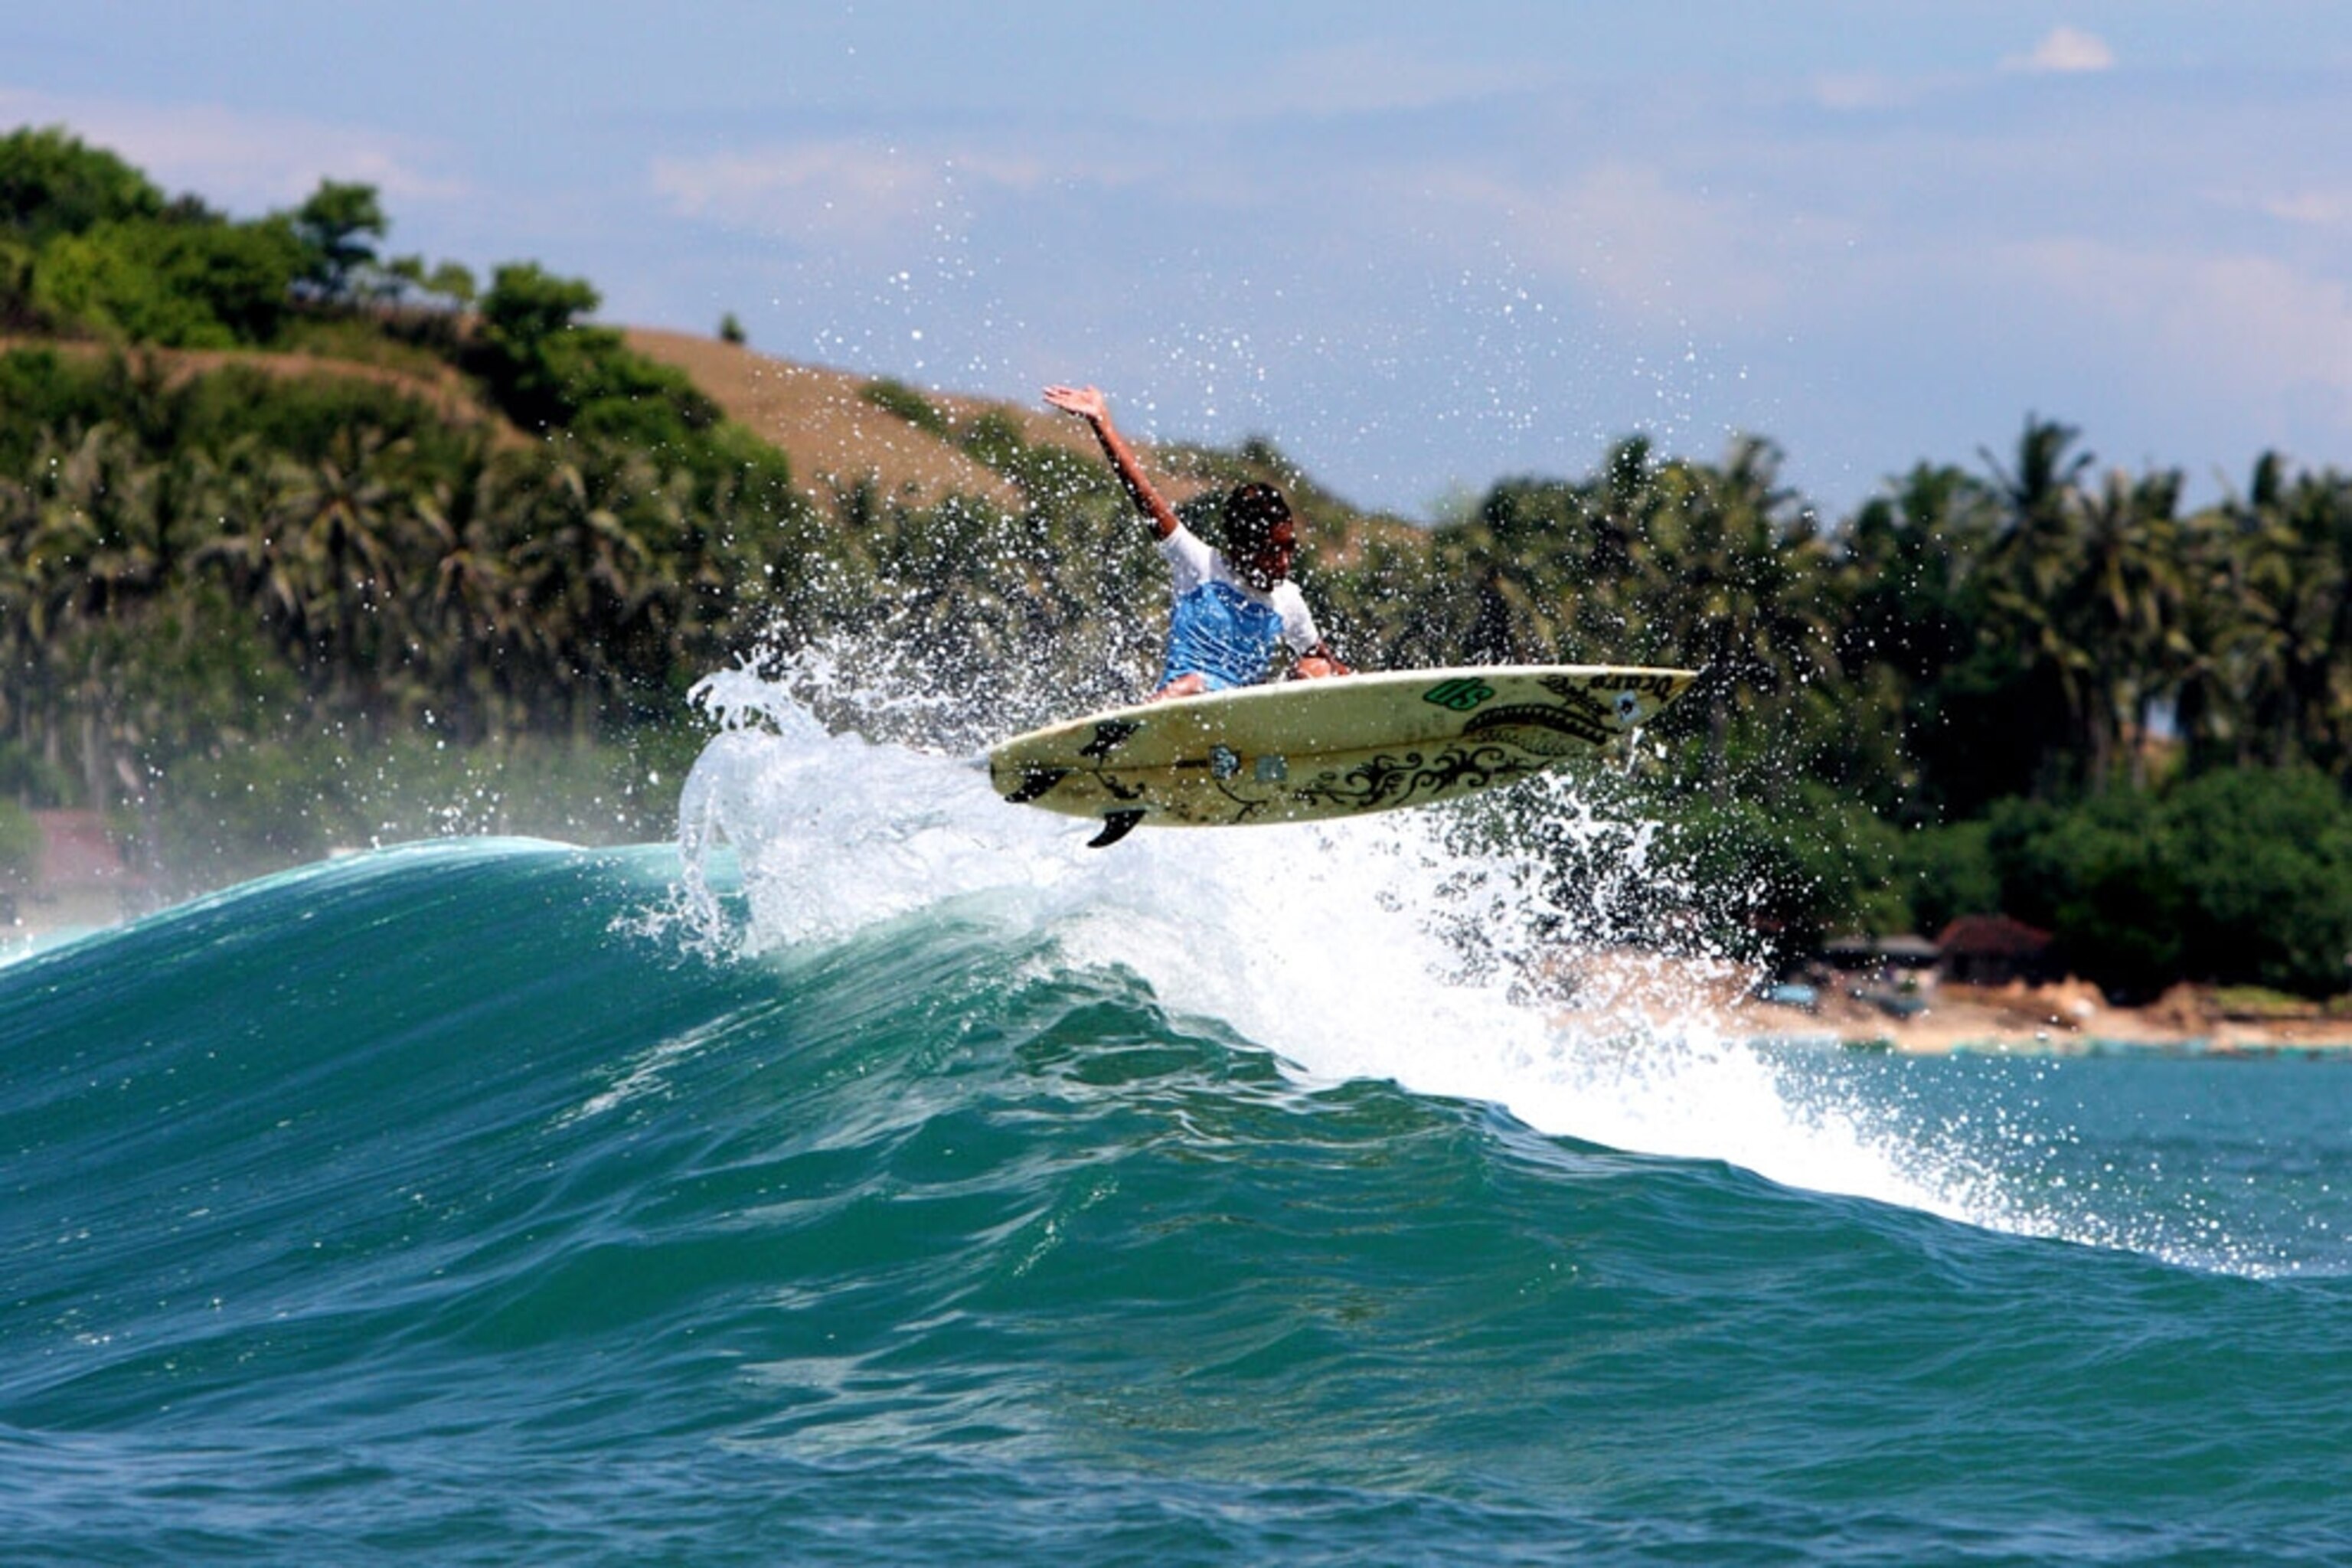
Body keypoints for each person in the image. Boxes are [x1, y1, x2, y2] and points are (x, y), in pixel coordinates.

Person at [1044, 383, 1351, 700]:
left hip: (1238, 717)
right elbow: (1144, 495)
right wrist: (1101, 422)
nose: (1284, 564)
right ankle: (1156, 712)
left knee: (1315, 668)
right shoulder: (1199, 565)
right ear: (1241, 549)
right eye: (1271, 553)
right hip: (1181, 706)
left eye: (1289, 550)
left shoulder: (1288, 601)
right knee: (1193, 683)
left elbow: (1328, 662)